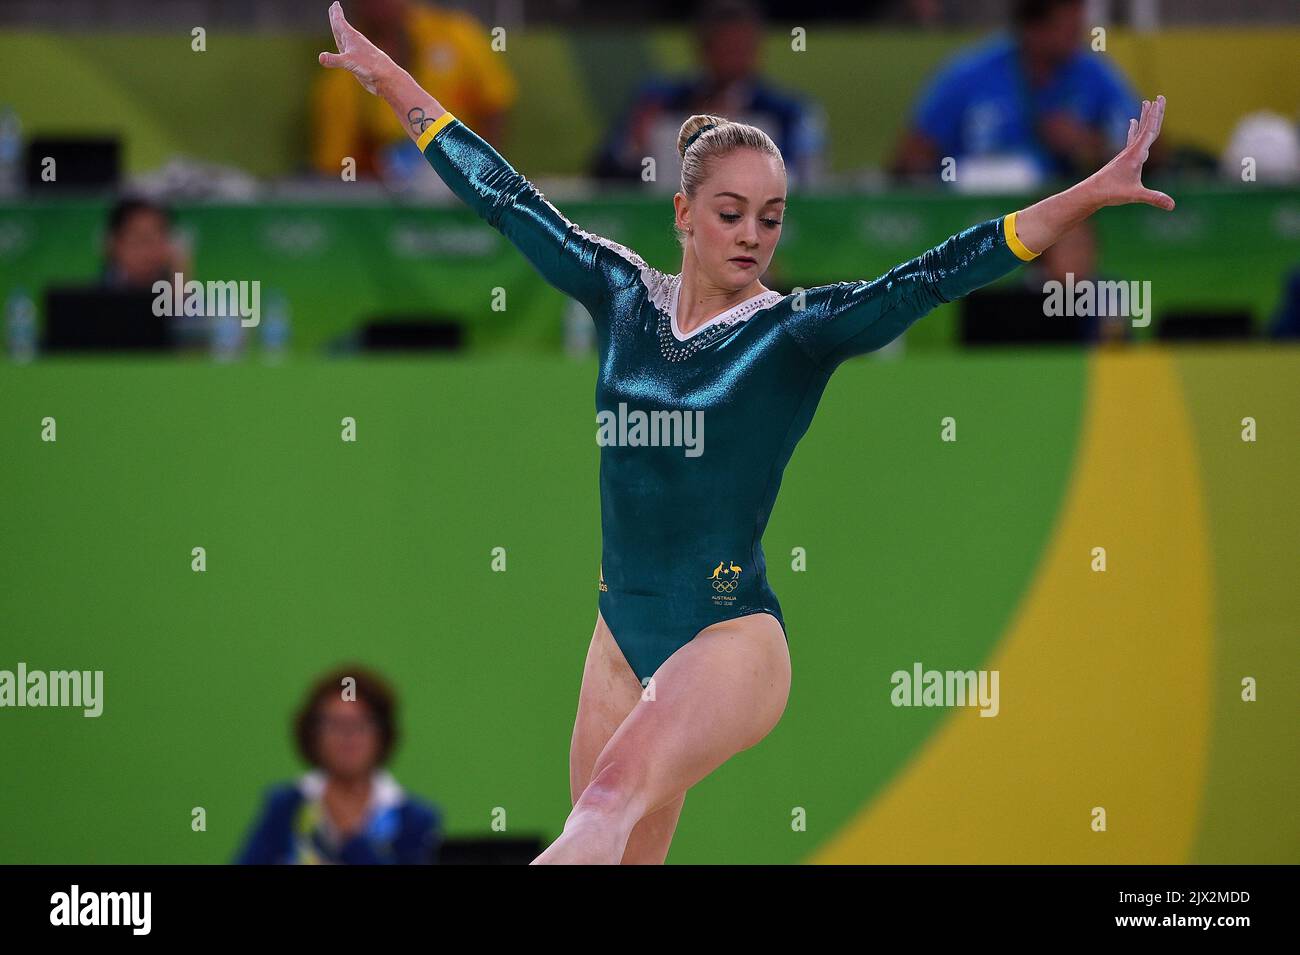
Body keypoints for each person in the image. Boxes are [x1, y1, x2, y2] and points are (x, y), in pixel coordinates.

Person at [319, 1, 1173, 864]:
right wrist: (389, 78)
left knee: (607, 802)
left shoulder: (795, 331)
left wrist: (1088, 194)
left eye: (771, 217)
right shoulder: (619, 295)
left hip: (731, 640)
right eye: (731, 214)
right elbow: (504, 198)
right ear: (683, 214)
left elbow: (934, 275)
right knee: (614, 842)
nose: (753, 236)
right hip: (619, 637)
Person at [892, 0, 1143, 183]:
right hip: (976, 217)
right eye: (1067, 30)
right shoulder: (968, 75)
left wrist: (1090, 145)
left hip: (1066, 216)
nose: (1078, 39)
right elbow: (910, 157)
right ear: (1032, 29)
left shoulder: (1092, 71)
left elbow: (1152, 148)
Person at [590, 0, 824, 189]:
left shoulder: (786, 112)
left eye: (740, 49)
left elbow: (805, 181)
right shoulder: (659, 101)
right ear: (703, 49)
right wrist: (634, 147)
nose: (731, 59)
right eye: (723, 48)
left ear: (756, 50)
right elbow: (602, 173)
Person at [235, 666, 441, 864]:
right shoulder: (286, 807)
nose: (347, 736)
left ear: (383, 735)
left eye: (361, 724)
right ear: (313, 735)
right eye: (334, 724)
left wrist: (352, 841)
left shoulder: (414, 819)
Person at [310, 0, 516, 183]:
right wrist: (387, 170)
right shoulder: (341, 82)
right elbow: (338, 166)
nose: (381, 6)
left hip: (467, 182)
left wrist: (485, 175)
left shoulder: (457, 35)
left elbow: (493, 102)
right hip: (395, 203)